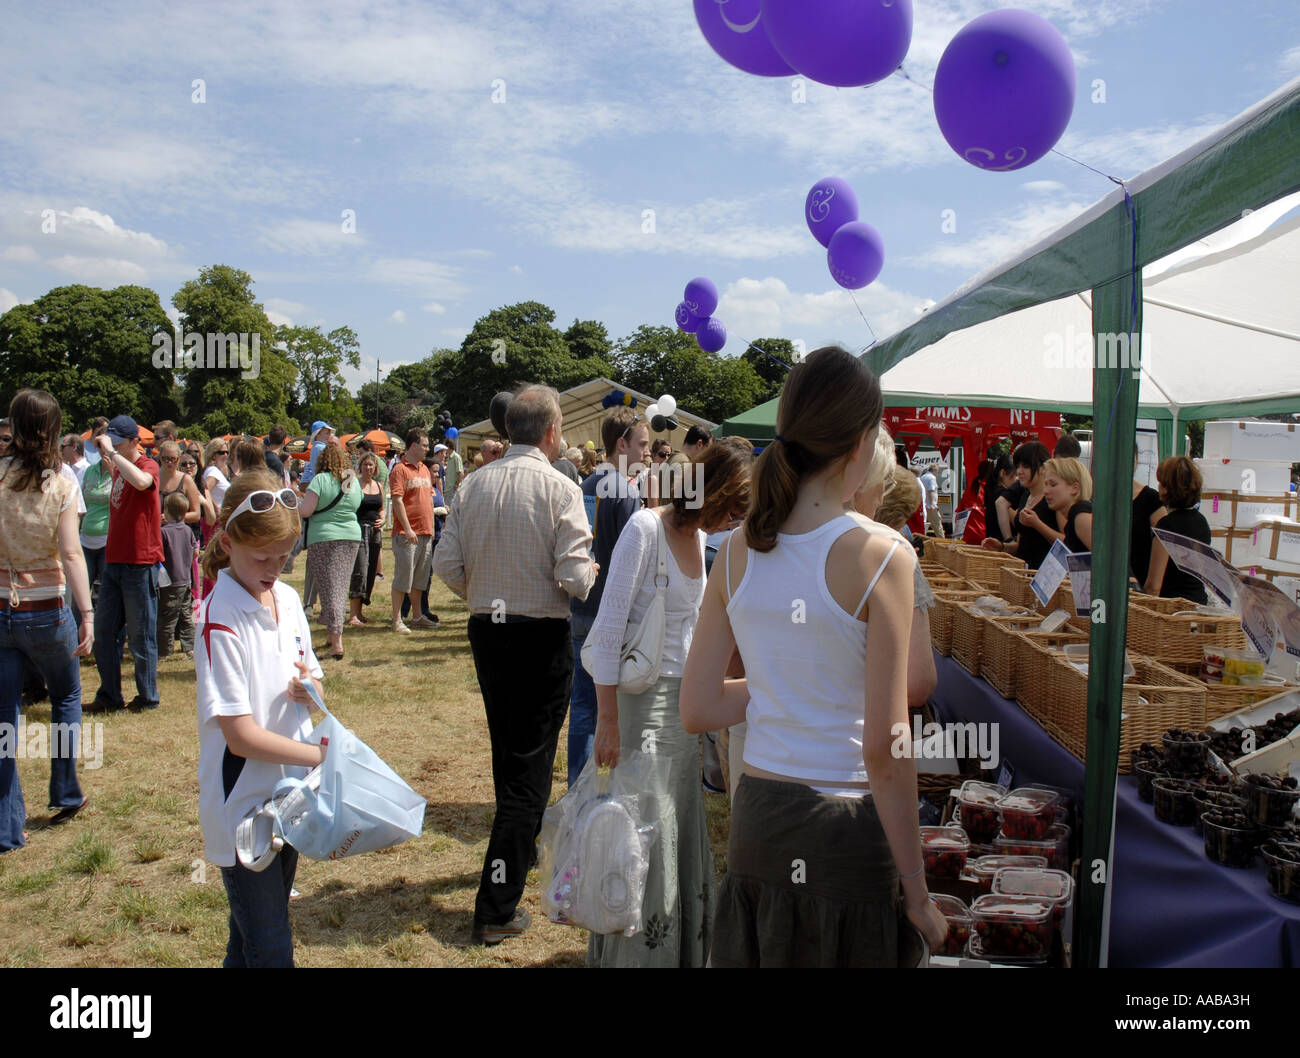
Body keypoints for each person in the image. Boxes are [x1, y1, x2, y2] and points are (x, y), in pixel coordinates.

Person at [680, 345, 948, 967]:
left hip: (761, 823)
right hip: (847, 831)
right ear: (861, 445)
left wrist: (781, 683)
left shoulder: (739, 549)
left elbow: (698, 708)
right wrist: (916, 891)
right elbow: (888, 746)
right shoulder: (884, 555)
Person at [433, 384, 596, 946]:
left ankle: (519, 855)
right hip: (538, 635)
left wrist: (482, 595)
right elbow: (575, 578)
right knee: (527, 770)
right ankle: (496, 907)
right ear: (552, 433)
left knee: (511, 749)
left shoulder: (475, 483)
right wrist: (592, 572)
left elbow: (447, 563)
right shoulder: (561, 487)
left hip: (490, 632)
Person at [587, 443, 751, 968]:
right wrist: (607, 721)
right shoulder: (644, 529)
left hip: (683, 710)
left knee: (675, 826)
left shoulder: (700, 534)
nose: (733, 520)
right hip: (643, 706)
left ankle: (677, 950)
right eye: (732, 507)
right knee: (644, 832)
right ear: (714, 492)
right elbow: (608, 629)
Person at [195, 469, 326, 967]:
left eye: (284, 556)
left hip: (289, 795)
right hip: (244, 806)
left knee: (249, 937)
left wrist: (311, 689)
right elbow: (241, 737)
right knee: (271, 946)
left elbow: (314, 678)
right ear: (227, 543)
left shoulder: (288, 599)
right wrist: (318, 755)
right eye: (261, 558)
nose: (274, 568)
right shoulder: (219, 616)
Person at [0, 389, 94, 851]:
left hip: (1, 608)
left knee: (3, 718)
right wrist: (88, 614)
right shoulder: (60, 483)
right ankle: (64, 791)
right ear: (54, 429)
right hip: (45, 609)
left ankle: (4, 826)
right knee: (67, 696)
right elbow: (72, 553)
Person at [568, 407, 651, 786]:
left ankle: (578, 789)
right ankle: (606, 791)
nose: (648, 453)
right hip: (611, 613)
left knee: (584, 707)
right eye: (643, 445)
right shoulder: (625, 490)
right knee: (616, 708)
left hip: (581, 605)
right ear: (622, 444)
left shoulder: (586, 483)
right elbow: (633, 559)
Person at [853, 430, 938, 712]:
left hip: (767, 741)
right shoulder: (892, 552)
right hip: (860, 735)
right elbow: (916, 685)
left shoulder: (754, 542)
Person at [87, 416, 163, 714]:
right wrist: (110, 455)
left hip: (140, 562)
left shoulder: (148, 465)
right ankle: (109, 696)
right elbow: (116, 470)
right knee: (105, 633)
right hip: (115, 561)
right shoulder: (120, 467)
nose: (112, 445)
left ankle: (148, 697)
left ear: (135, 442)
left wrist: (114, 455)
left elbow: (143, 482)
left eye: (119, 441)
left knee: (141, 636)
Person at [298, 442, 361, 660]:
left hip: (324, 537)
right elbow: (357, 503)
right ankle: (331, 634)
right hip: (351, 536)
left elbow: (306, 511)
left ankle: (337, 642)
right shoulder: (350, 479)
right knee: (339, 587)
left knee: (329, 589)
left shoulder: (320, 480)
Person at [388, 429, 437, 634]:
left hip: (426, 532)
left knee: (419, 579)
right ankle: (397, 619)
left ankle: (417, 616)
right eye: (424, 445)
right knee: (403, 578)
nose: (427, 448)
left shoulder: (425, 470)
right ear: (413, 445)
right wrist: (407, 528)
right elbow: (397, 500)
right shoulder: (400, 470)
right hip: (406, 534)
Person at [1144, 455, 1211, 604]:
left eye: (1161, 483)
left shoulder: (1167, 526)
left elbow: (1154, 586)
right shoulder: (1202, 522)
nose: (1158, 487)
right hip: (1198, 603)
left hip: (1172, 609)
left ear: (1169, 489)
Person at [981, 441, 1055, 571]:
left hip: (1045, 579)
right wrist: (1002, 546)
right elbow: (1022, 545)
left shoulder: (1052, 499)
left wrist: (1037, 524)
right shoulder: (1026, 496)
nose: (1019, 471)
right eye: (1018, 466)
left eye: (1026, 466)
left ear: (1043, 468)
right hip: (1024, 576)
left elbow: (1067, 544)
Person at [347, 452, 385, 626]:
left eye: (371, 465)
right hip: (359, 530)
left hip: (375, 532)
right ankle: (353, 614)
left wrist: (383, 519)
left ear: (375, 467)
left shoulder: (379, 485)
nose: (368, 468)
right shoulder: (354, 484)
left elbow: (382, 508)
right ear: (360, 466)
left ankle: (360, 612)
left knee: (370, 572)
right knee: (359, 570)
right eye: (365, 464)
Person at [158, 491, 197, 659]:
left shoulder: (164, 532)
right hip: (186, 580)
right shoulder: (187, 530)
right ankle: (190, 646)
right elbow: (195, 551)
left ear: (166, 510)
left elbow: (158, 554)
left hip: (170, 582)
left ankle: (163, 651)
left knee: (167, 617)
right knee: (186, 614)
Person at [80, 443, 113, 605]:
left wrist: (113, 471)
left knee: (106, 592)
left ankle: (106, 629)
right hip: (86, 536)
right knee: (81, 589)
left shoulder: (120, 471)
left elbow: (123, 497)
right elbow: (83, 501)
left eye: (106, 446)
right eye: (99, 446)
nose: (103, 450)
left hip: (107, 539)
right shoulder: (90, 470)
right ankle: (80, 626)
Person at [1041, 457, 1094, 552]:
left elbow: (1104, 557)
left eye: (1053, 484)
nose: (1045, 491)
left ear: (1075, 488)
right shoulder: (1074, 515)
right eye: (1045, 484)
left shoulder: (1080, 515)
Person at [1130, 446, 1166, 586]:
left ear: (1137, 460)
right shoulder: (1100, 497)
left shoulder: (1151, 499)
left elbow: (1164, 541)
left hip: (1142, 585)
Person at [158, 441, 203, 527]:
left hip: (178, 533)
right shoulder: (153, 478)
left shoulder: (186, 480)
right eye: (165, 459)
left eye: (173, 459)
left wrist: (172, 518)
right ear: (160, 458)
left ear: (179, 459)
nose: (169, 463)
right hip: (157, 533)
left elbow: (196, 514)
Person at [983, 454, 1020, 545]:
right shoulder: (1002, 495)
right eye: (1015, 475)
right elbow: (1016, 521)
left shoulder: (994, 490)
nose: (1017, 479)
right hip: (1000, 547)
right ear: (1003, 473)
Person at [956, 459, 989, 545]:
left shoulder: (970, 489)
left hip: (968, 535)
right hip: (984, 536)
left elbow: (959, 512)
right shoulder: (990, 490)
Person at [298, 421, 334, 488]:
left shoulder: (315, 448)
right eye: (327, 433)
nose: (329, 436)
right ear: (317, 434)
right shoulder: (321, 448)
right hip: (323, 483)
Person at [919, 464, 944, 538]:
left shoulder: (922, 477)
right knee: (937, 525)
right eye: (937, 471)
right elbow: (931, 491)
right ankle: (943, 543)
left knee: (923, 526)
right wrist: (933, 503)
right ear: (935, 470)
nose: (937, 473)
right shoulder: (932, 478)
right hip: (930, 506)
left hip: (924, 505)